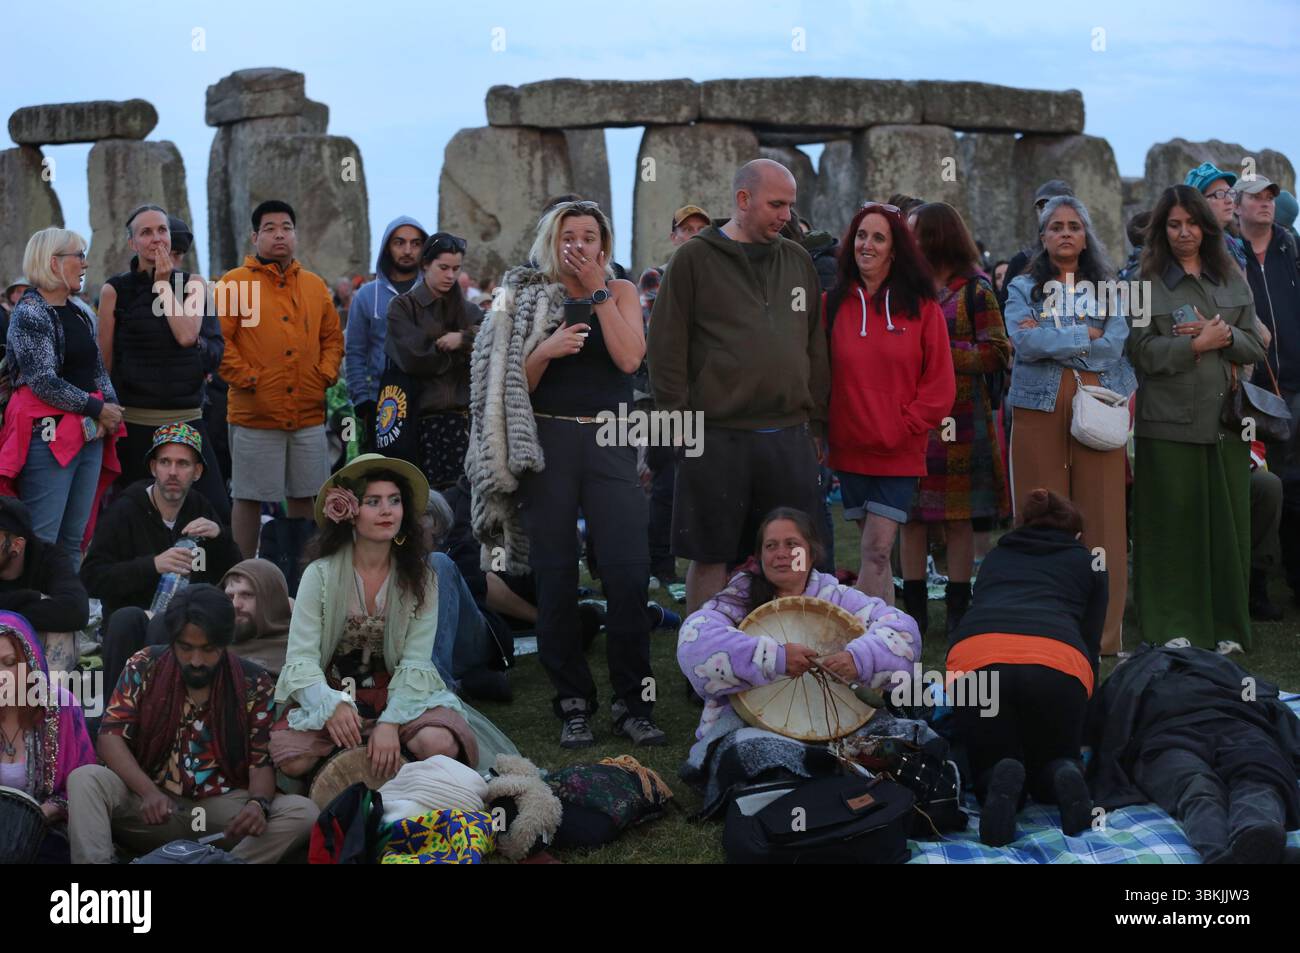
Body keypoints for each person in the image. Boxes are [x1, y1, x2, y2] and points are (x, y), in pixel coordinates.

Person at [469, 200, 664, 749]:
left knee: (627, 572)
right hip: (548, 441)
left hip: (610, 438)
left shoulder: (621, 291)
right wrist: (545, 352)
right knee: (555, 576)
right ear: (551, 242)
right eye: (568, 235)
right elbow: (506, 388)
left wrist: (598, 289)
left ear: (603, 244)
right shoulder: (525, 294)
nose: (578, 244)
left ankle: (634, 703)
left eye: (589, 235)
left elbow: (629, 361)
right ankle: (573, 704)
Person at [648, 159, 828, 617]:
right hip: (715, 435)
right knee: (711, 554)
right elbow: (666, 350)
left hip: (787, 433)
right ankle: (704, 661)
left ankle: (790, 660)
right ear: (743, 200)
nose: (786, 214)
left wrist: (818, 421)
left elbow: (814, 345)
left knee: (793, 557)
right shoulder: (692, 259)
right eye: (776, 204)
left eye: (790, 204)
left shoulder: (798, 259)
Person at [271, 454, 507, 779]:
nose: (387, 510)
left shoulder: (421, 577)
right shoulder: (319, 575)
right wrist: (332, 705)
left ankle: (397, 760)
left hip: (400, 692)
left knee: (438, 742)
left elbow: (417, 662)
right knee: (292, 758)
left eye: (394, 501)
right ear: (350, 512)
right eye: (374, 501)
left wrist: (390, 722)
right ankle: (354, 760)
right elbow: (301, 659)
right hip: (337, 687)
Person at [678, 508, 920, 811]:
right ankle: (832, 780)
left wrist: (857, 659)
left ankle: (816, 780)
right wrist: (774, 658)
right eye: (771, 546)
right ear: (760, 555)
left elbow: (903, 630)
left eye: (792, 544)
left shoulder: (837, 597)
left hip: (841, 726)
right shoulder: (738, 600)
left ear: (811, 552)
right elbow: (694, 640)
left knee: (912, 743)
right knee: (748, 753)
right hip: (756, 727)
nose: (781, 554)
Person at [67, 585, 317, 864]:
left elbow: (260, 762)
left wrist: (257, 805)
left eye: (208, 650)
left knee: (302, 813)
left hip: (219, 811)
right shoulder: (144, 663)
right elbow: (110, 737)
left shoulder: (254, 682)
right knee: (85, 779)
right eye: (186, 648)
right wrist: (147, 792)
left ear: (224, 644)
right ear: (173, 641)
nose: (196, 660)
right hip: (150, 805)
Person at [1129, 185, 1266, 649]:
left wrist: (1223, 335)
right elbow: (1140, 352)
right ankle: (1172, 628)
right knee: (1171, 530)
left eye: (1191, 223)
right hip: (1166, 425)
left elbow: (1255, 343)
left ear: (1206, 227)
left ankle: (1227, 629)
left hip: (1226, 427)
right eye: (1173, 224)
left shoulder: (1232, 279)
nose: (1183, 233)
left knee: (1228, 532)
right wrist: (1193, 346)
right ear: (1162, 230)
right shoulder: (1143, 284)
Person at [1003, 196, 1135, 655]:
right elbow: (1023, 340)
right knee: (1040, 511)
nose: (1064, 233)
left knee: (1102, 516)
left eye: (1073, 226)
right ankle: (1039, 626)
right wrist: (1083, 334)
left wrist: (1056, 337)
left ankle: (1103, 636)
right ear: (1042, 237)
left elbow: (1115, 344)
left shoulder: (1110, 287)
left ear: (1085, 235)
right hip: (1037, 408)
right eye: (1055, 226)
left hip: (1097, 404)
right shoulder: (1022, 286)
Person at [946, 489, 1103, 847]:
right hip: (1056, 660)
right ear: (1076, 534)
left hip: (977, 655)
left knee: (988, 759)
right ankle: (1062, 771)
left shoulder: (997, 556)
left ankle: (998, 780)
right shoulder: (1091, 561)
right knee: (1055, 754)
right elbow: (1091, 641)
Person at [824, 202, 955, 604]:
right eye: (861, 235)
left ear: (895, 249)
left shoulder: (923, 308)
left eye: (878, 237)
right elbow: (817, 371)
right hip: (849, 448)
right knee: (871, 553)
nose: (867, 244)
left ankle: (871, 648)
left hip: (899, 449)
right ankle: (884, 646)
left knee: (877, 551)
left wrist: (907, 424)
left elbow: (940, 382)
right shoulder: (831, 304)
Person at [900, 203, 1011, 634]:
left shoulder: (975, 291)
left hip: (962, 418)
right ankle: (912, 612)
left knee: (957, 517)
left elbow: (998, 352)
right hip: (914, 418)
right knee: (909, 516)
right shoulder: (906, 289)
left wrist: (941, 355)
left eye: (914, 233)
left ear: (938, 237)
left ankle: (958, 610)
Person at [216, 200, 344, 559]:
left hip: (307, 411)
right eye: (270, 228)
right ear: (255, 236)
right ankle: (243, 575)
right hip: (255, 412)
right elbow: (218, 342)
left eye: (286, 227)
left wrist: (325, 375)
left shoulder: (315, 286)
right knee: (249, 496)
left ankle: (303, 572)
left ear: (296, 235)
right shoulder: (234, 284)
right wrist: (249, 379)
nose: (279, 235)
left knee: (306, 494)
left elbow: (332, 339)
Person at [81, 423, 242, 695]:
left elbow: (233, 575)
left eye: (183, 464)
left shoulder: (200, 507)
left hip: (190, 620)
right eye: (165, 462)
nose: (173, 472)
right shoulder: (126, 510)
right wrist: (153, 565)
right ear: (153, 467)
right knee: (130, 619)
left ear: (197, 471)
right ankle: (115, 718)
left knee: (169, 623)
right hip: (132, 621)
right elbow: (92, 578)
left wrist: (221, 536)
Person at [0, 228, 124, 564]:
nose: (85, 264)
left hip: (90, 432)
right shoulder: (30, 313)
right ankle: (33, 611)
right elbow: (42, 380)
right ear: (54, 263)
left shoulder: (81, 311)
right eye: (78, 256)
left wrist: (111, 411)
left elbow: (97, 368)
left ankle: (65, 610)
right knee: (43, 535)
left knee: (74, 537)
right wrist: (98, 408)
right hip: (49, 434)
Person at [96, 206, 229, 518]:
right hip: (136, 421)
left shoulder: (195, 283)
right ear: (132, 243)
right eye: (146, 232)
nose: (156, 238)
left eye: (162, 230)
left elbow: (186, 335)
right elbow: (104, 362)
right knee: (138, 516)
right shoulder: (114, 291)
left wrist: (163, 285)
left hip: (187, 417)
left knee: (215, 510)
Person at [1236, 175, 1300, 609]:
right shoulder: (1224, 254)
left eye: (1270, 197)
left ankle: (1294, 580)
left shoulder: (1292, 249)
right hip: (1243, 390)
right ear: (1235, 205)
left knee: (1294, 486)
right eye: (1255, 197)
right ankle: (1253, 583)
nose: (1265, 204)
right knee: (1252, 485)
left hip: (1294, 385)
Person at [384, 232, 482, 490]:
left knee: (465, 501)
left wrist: (462, 339)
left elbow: (494, 336)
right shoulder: (402, 307)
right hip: (418, 420)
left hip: (463, 421)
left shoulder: (468, 310)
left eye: (456, 269)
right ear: (426, 264)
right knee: (423, 500)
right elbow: (414, 357)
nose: (450, 275)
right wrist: (461, 354)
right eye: (443, 268)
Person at [0, 611, 97, 863]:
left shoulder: (60, 707)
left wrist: (36, 816)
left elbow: (83, 785)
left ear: (29, 662)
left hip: (45, 833)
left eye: (9, 663)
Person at [346, 216, 428, 453]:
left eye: (415, 244)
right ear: (387, 247)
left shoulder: (435, 292)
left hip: (427, 401)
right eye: (399, 243)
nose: (407, 250)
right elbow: (355, 352)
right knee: (385, 474)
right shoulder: (365, 296)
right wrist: (362, 402)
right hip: (380, 401)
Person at [0, 496, 89, 676]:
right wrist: (28, 597)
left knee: (61, 629)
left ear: (16, 545)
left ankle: (45, 701)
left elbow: (76, 610)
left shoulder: (48, 558)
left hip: (31, 661)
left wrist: (12, 618)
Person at [997, 180, 1074, 312]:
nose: (1045, 211)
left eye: (1052, 205)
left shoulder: (1090, 262)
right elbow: (1005, 317)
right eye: (1041, 207)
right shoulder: (1021, 262)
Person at [222, 558, 293, 676]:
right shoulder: (212, 648)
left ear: (272, 599)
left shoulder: (300, 653)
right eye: (230, 596)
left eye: (247, 595)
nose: (235, 604)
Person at [1184, 162, 1247, 271]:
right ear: (1198, 203)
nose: (1229, 200)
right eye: (1220, 194)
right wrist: (1147, 288)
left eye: (1230, 193)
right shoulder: (1190, 248)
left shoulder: (1233, 244)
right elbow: (1147, 282)